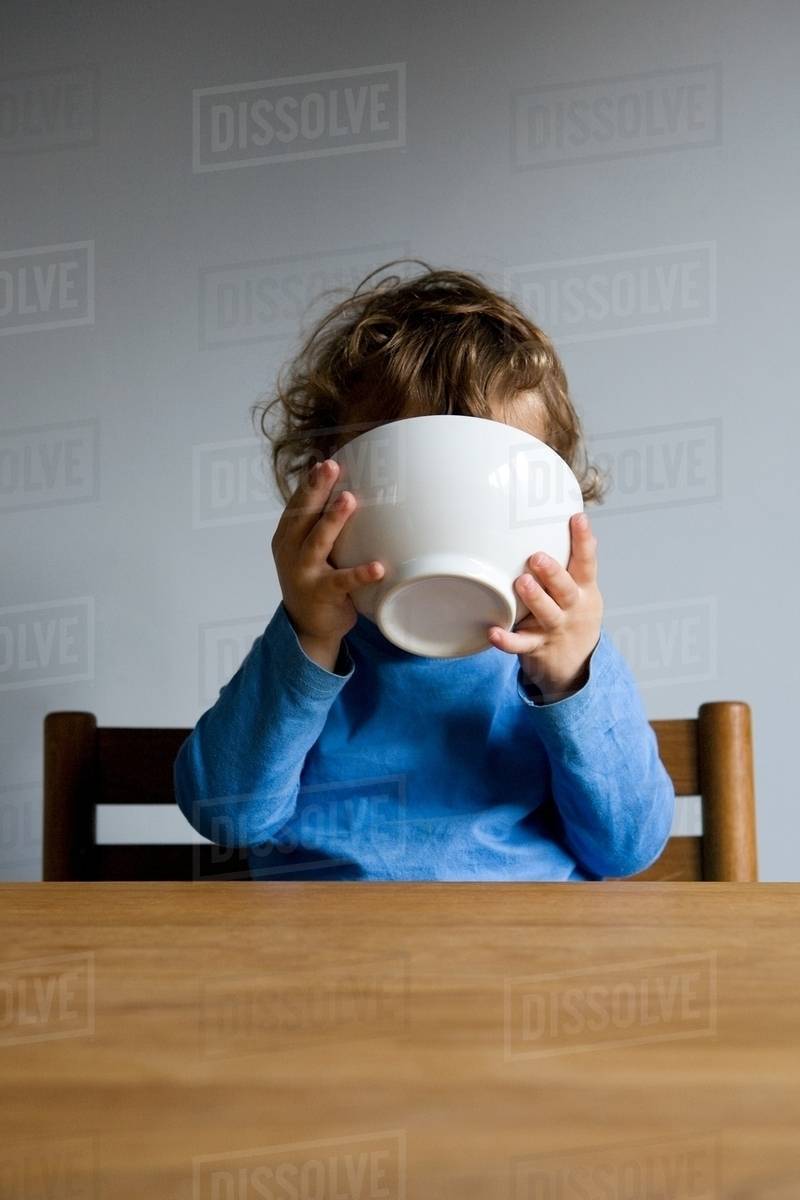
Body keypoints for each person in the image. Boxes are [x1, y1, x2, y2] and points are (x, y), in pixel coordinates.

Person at [174, 262, 675, 881]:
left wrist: (571, 676)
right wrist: (308, 637)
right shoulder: (316, 643)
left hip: (524, 956)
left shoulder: (557, 655)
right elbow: (226, 818)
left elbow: (626, 848)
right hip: (326, 952)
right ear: (325, 486)